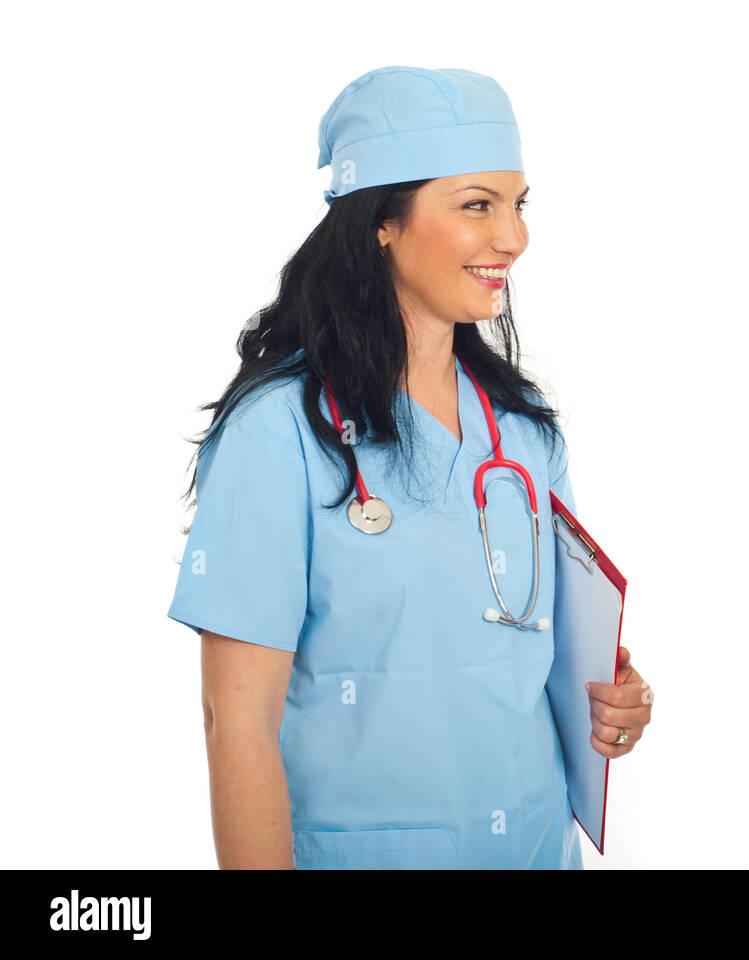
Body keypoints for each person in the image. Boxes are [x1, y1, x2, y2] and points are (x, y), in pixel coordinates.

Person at [168, 66, 651, 869]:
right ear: (381, 222)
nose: (514, 237)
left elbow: (553, 660)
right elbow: (236, 721)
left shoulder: (526, 436)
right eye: (477, 206)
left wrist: (611, 703)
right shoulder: (278, 434)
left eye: (518, 204)